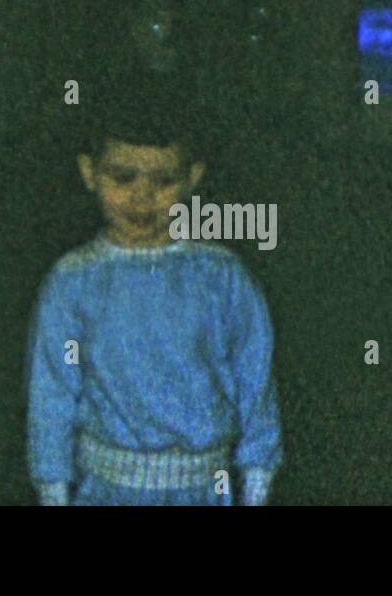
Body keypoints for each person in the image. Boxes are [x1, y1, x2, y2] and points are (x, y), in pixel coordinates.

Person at [25, 100, 283, 505]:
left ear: (192, 178)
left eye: (163, 180)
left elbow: (255, 381)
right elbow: (52, 393)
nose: (142, 197)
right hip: (106, 490)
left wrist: (257, 481)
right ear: (89, 173)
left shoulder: (221, 277)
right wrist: (54, 489)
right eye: (123, 177)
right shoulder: (72, 282)